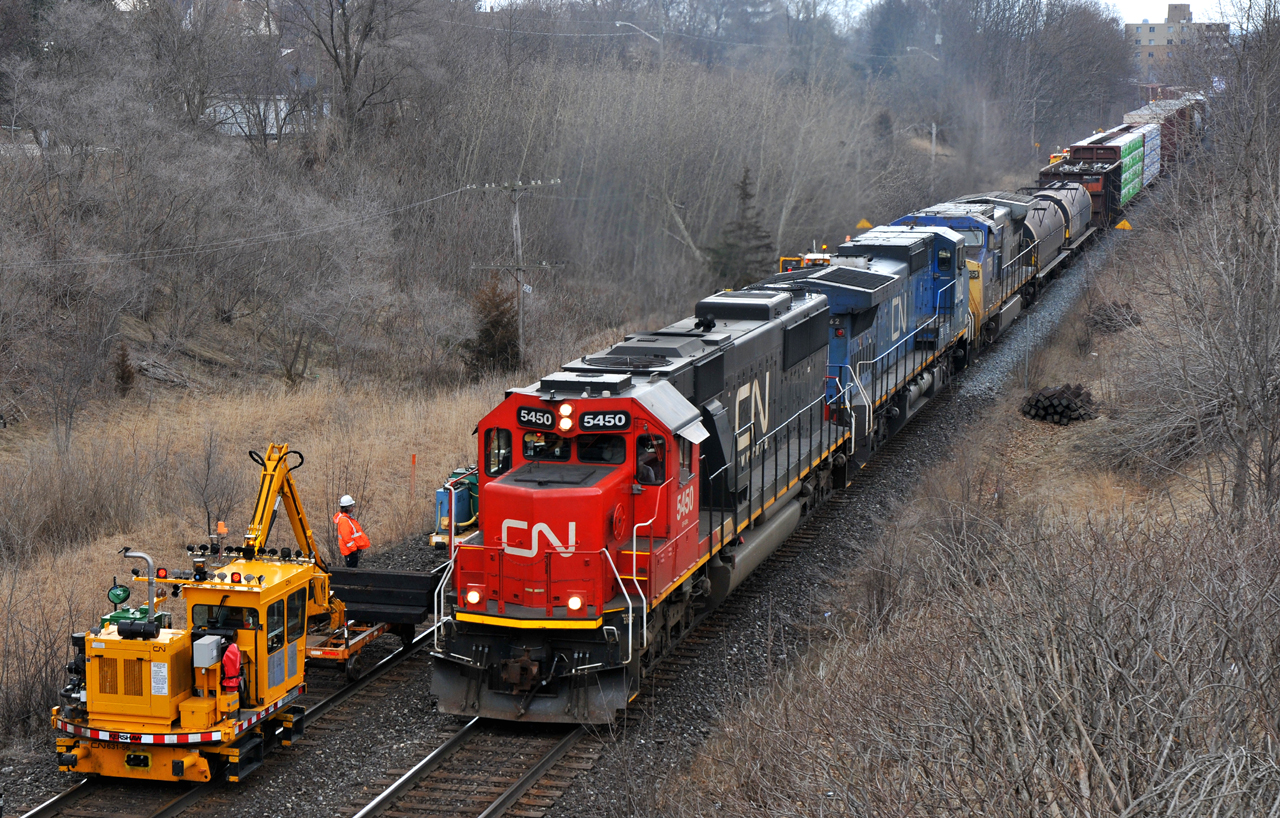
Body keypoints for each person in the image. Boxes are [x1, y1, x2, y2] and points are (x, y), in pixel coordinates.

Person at [334, 495, 371, 568]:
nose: (353, 507)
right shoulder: (344, 520)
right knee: (351, 572)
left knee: (353, 570)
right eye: (352, 506)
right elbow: (347, 538)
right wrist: (354, 549)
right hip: (350, 552)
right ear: (348, 508)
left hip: (351, 551)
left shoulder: (347, 518)